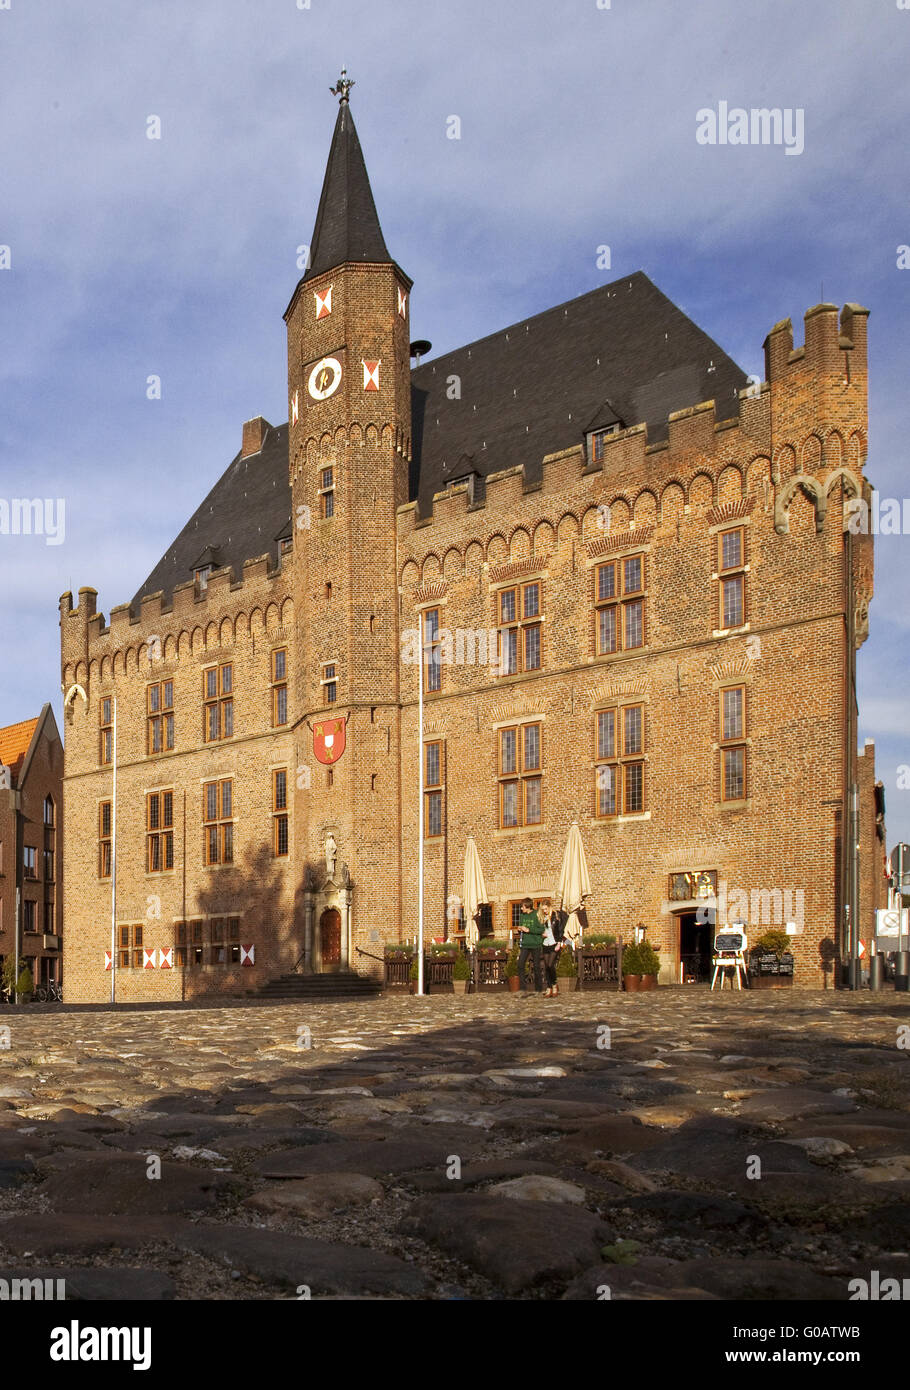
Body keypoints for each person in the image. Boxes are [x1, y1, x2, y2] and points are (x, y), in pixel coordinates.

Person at [516, 897, 544, 994]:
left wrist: (529, 930)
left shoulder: (536, 914)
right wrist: (519, 929)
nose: (521, 908)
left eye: (522, 907)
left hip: (536, 944)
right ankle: (523, 988)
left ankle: (538, 989)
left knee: (536, 966)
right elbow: (521, 926)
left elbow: (541, 929)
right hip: (525, 944)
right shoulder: (522, 915)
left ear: (527, 906)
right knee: (520, 964)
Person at [539, 900, 566, 996]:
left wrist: (559, 943)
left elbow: (560, 930)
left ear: (549, 907)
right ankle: (549, 986)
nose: (544, 911)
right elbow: (540, 930)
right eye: (543, 909)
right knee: (546, 966)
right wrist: (541, 934)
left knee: (551, 965)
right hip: (545, 943)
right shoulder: (543, 917)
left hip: (554, 942)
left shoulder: (556, 916)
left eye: (546, 909)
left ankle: (554, 984)